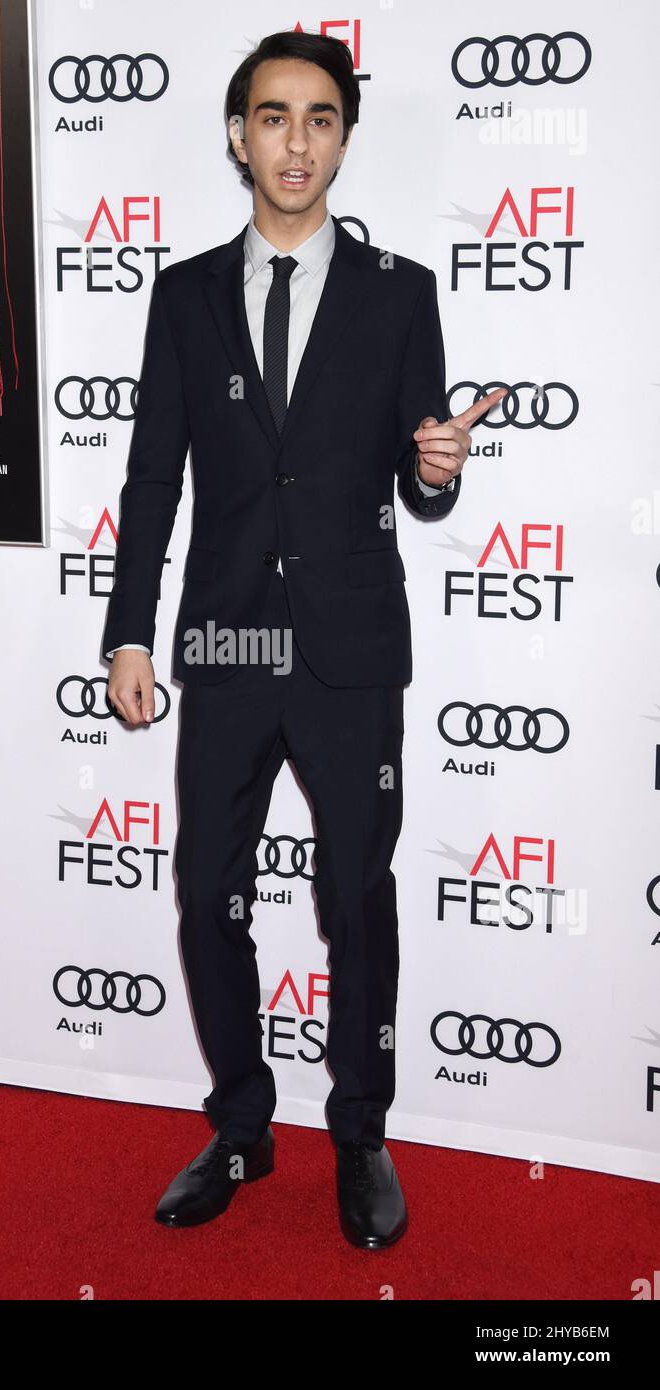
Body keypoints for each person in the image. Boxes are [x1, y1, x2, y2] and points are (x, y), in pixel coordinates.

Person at [103, 29, 505, 1249]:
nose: (297, 140)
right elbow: (153, 479)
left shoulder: (401, 296)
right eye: (273, 117)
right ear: (239, 135)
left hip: (347, 650)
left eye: (321, 118)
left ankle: (362, 1131)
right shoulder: (181, 297)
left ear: (343, 137)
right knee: (209, 894)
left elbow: (417, 474)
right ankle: (239, 1124)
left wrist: (434, 469)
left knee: (355, 898)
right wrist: (129, 634)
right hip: (224, 646)